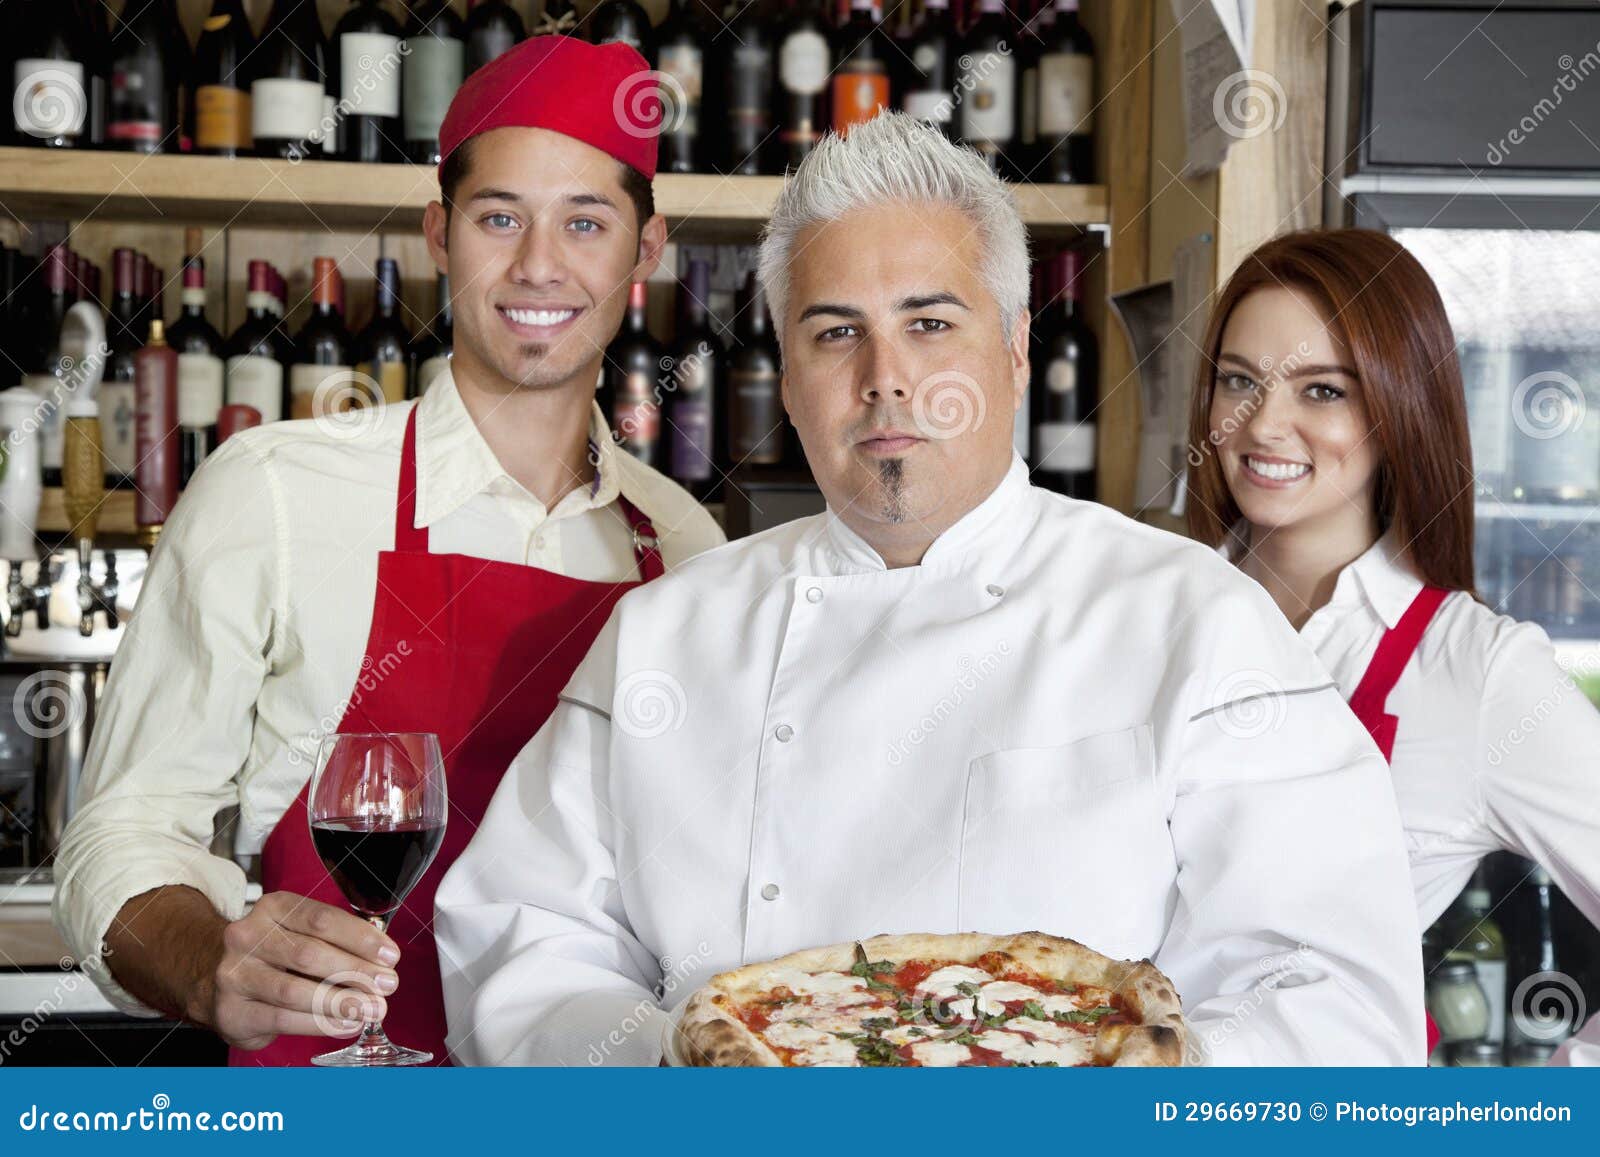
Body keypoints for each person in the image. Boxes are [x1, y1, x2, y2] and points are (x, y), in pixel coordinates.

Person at [434, 112, 1426, 1068]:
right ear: (787, 381)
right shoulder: (663, 633)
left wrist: (1129, 1079)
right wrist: (680, 1060)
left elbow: (1333, 996)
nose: (886, 377)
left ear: (1015, 349)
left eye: (930, 322)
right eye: (835, 333)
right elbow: (519, 941)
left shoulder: (1196, 623)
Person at [52, 36, 723, 1066]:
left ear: (645, 252)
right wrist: (209, 964)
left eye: (585, 223)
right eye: (499, 217)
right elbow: (123, 830)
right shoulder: (273, 490)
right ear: (438, 235)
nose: (539, 265)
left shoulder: (683, 545)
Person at [1188, 227, 1600, 1061]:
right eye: (1239, 381)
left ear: (1398, 405)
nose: (1264, 424)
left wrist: (1549, 1107)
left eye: (1322, 391)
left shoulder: (1476, 674)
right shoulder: (1156, 606)